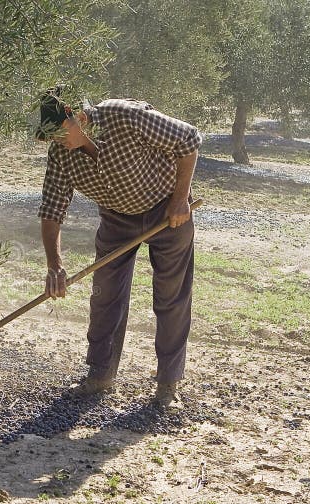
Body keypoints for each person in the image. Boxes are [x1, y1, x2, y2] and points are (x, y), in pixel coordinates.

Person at [36, 86, 201, 407]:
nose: (56, 141)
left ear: (78, 117)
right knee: (105, 296)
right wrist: (54, 264)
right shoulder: (60, 154)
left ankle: (168, 385)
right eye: (50, 136)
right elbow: (51, 209)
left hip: (167, 212)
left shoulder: (124, 116)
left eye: (58, 133)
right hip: (116, 219)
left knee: (170, 297)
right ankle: (100, 375)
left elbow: (189, 139)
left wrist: (181, 199)